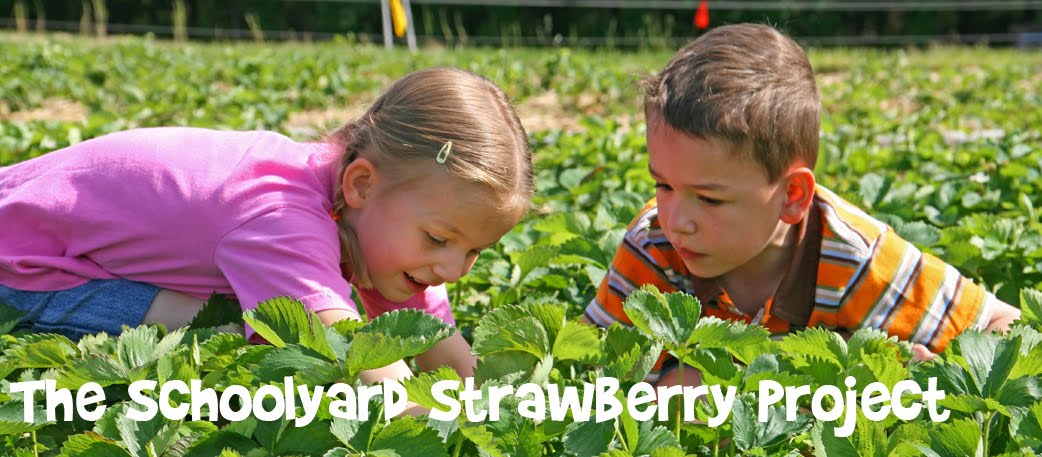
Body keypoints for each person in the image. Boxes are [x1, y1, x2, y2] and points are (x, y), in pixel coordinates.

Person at [0, 67, 533, 384]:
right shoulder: (284, 222)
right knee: (245, 335)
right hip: (23, 267)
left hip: (45, 230)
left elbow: (448, 357)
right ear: (361, 184)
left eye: (474, 251)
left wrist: (488, 398)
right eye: (439, 240)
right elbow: (362, 366)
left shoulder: (382, 217)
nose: (454, 269)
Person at [582, 24, 1020, 386]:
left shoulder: (856, 258)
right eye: (663, 185)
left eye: (710, 198)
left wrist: (937, 379)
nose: (677, 221)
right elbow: (595, 376)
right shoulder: (652, 242)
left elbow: (1004, 325)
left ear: (792, 196)